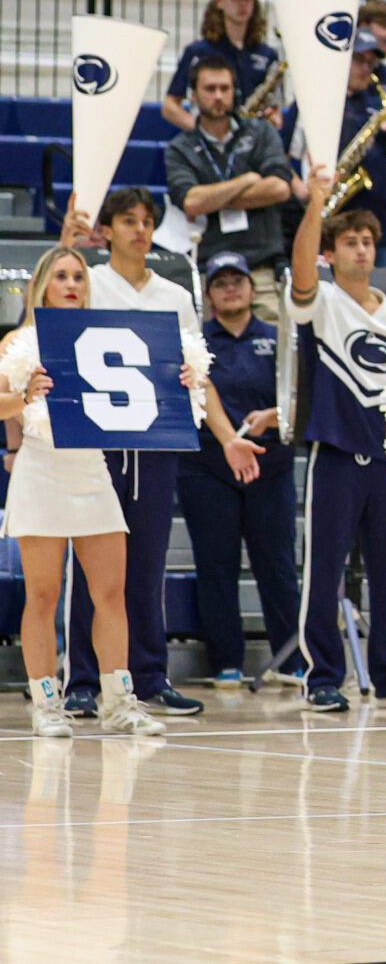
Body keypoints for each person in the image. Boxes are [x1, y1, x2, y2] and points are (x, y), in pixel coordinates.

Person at [50, 188, 241, 721]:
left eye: (148, 221)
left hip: (156, 443)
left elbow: (196, 374)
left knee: (147, 566)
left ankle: (148, 676)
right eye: (128, 220)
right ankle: (82, 681)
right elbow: (52, 326)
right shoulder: (89, 283)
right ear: (106, 229)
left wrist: (220, 427)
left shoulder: (176, 296)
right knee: (91, 568)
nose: (140, 229)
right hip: (97, 444)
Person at [0, 246, 169, 737]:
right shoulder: (18, 342)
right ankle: (46, 702)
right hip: (40, 468)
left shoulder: (107, 337)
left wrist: (176, 381)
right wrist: (24, 394)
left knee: (111, 591)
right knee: (43, 593)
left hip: (93, 470)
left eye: (78, 276)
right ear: (42, 286)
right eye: (61, 276)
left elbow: (143, 393)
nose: (72, 283)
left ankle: (118, 701)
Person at [288, 172, 386, 712]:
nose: (363, 249)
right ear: (330, 253)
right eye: (350, 241)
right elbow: (300, 269)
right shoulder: (319, 302)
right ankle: (322, 675)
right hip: (338, 454)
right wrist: (317, 206)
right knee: (325, 571)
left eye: (369, 241)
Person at [175, 252, 298, 688]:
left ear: (251, 287)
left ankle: (290, 661)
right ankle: (225, 663)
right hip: (207, 466)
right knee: (216, 564)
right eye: (220, 281)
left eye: (238, 280)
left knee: (278, 564)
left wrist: (275, 413)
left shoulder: (278, 339)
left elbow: (300, 400)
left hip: (270, 465)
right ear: (207, 295)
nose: (230, 287)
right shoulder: (195, 345)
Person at [299, 32, 386, 304]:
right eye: (359, 60)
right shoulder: (316, 102)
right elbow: (287, 154)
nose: (366, 69)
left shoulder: (381, 105)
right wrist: (304, 192)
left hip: (380, 227)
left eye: (371, 63)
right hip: (331, 223)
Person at [162, 53, 294, 317]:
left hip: (261, 270)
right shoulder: (181, 148)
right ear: (194, 95)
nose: (219, 96)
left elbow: (280, 188)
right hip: (208, 274)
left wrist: (213, 197)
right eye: (210, 89)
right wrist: (248, 180)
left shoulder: (261, 132)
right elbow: (191, 202)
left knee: (273, 349)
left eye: (225, 88)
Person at [163, 0, 280, 133]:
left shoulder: (268, 55)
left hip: (253, 143)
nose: (242, 3)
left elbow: (275, 109)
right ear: (219, 1)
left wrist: (272, 118)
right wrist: (202, 132)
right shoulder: (198, 51)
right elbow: (169, 106)